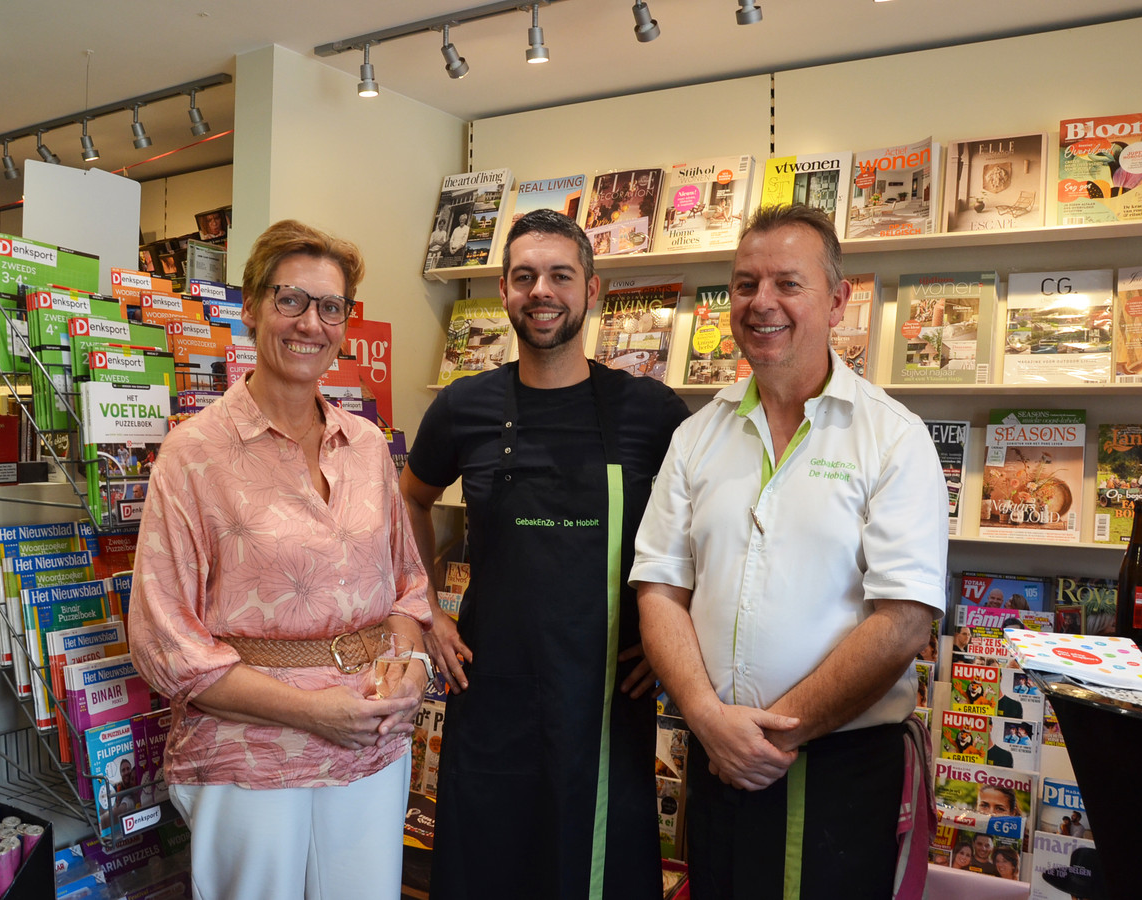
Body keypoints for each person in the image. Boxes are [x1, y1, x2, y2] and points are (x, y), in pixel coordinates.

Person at [632, 204, 947, 899]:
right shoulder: (696, 436)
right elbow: (659, 589)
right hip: (717, 761)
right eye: (745, 284)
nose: (761, 302)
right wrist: (708, 719)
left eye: (788, 283)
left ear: (837, 302)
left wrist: (773, 737)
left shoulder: (893, 439)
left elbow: (903, 622)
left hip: (839, 774)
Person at [129, 219, 432, 900]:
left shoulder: (366, 446)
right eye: (290, 299)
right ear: (252, 307)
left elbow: (408, 589)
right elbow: (163, 640)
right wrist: (311, 711)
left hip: (372, 742)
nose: (310, 323)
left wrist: (412, 669)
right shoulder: (194, 454)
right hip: (250, 755)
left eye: (330, 307)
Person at [401, 208, 689, 899]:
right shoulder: (463, 407)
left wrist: (674, 639)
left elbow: (706, 530)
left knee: (596, 868)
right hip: (491, 691)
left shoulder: (651, 412)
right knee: (489, 869)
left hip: (606, 700)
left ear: (592, 290)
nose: (542, 291)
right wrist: (426, 608)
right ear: (504, 290)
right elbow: (409, 498)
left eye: (561, 275)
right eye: (525, 276)